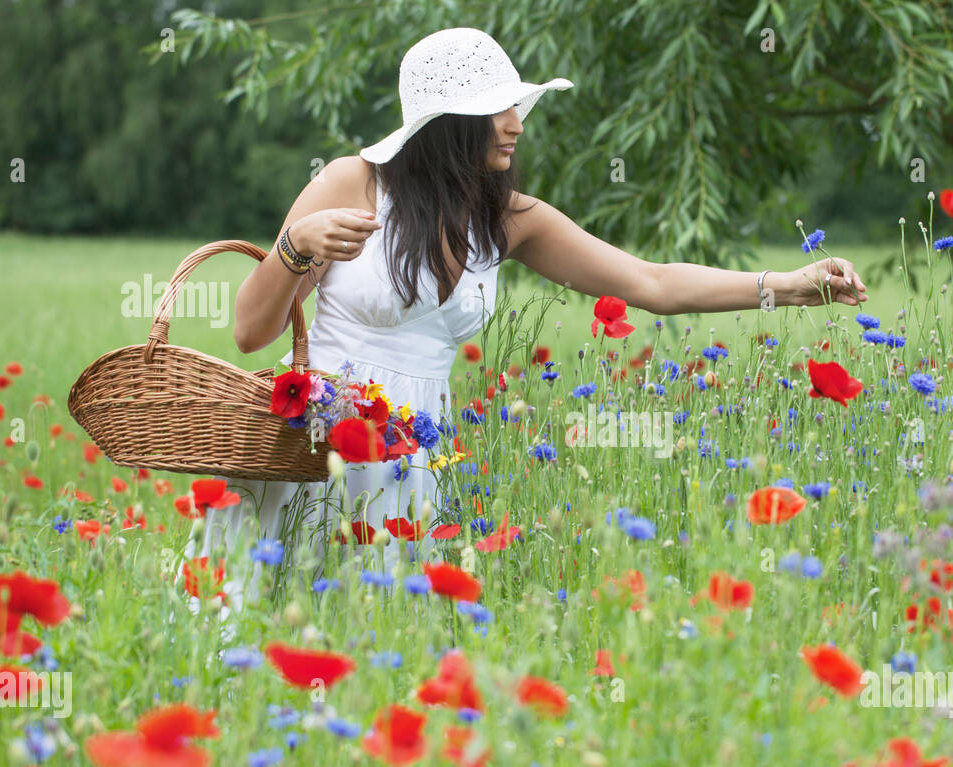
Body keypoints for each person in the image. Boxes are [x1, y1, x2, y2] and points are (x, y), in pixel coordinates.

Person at [178, 26, 867, 631]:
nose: (516, 122)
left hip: (409, 459)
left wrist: (789, 287)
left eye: (514, 106)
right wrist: (296, 245)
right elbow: (249, 330)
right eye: (498, 109)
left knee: (369, 642)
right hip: (313, 444)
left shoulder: (507, 217)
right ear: (450, 121)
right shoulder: (350, 184)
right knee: (244, 633)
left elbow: (651, 284)